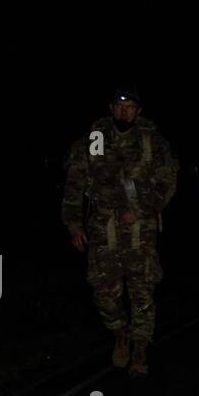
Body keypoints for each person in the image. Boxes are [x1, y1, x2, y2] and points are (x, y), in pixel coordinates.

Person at [61, 88, 178, 375]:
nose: (124, 112)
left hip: (140, 229)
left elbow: (167, 183)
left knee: (141, 290)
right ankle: (120, 335)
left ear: (139, 111)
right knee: (104, 292)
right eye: (119, 106)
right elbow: (76, 182)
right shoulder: (96, 140)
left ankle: (140, 349)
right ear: (111, 108)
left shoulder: (152, 142)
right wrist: (74, 223)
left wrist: (139, 209)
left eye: (130, 107)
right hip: (103, 228)